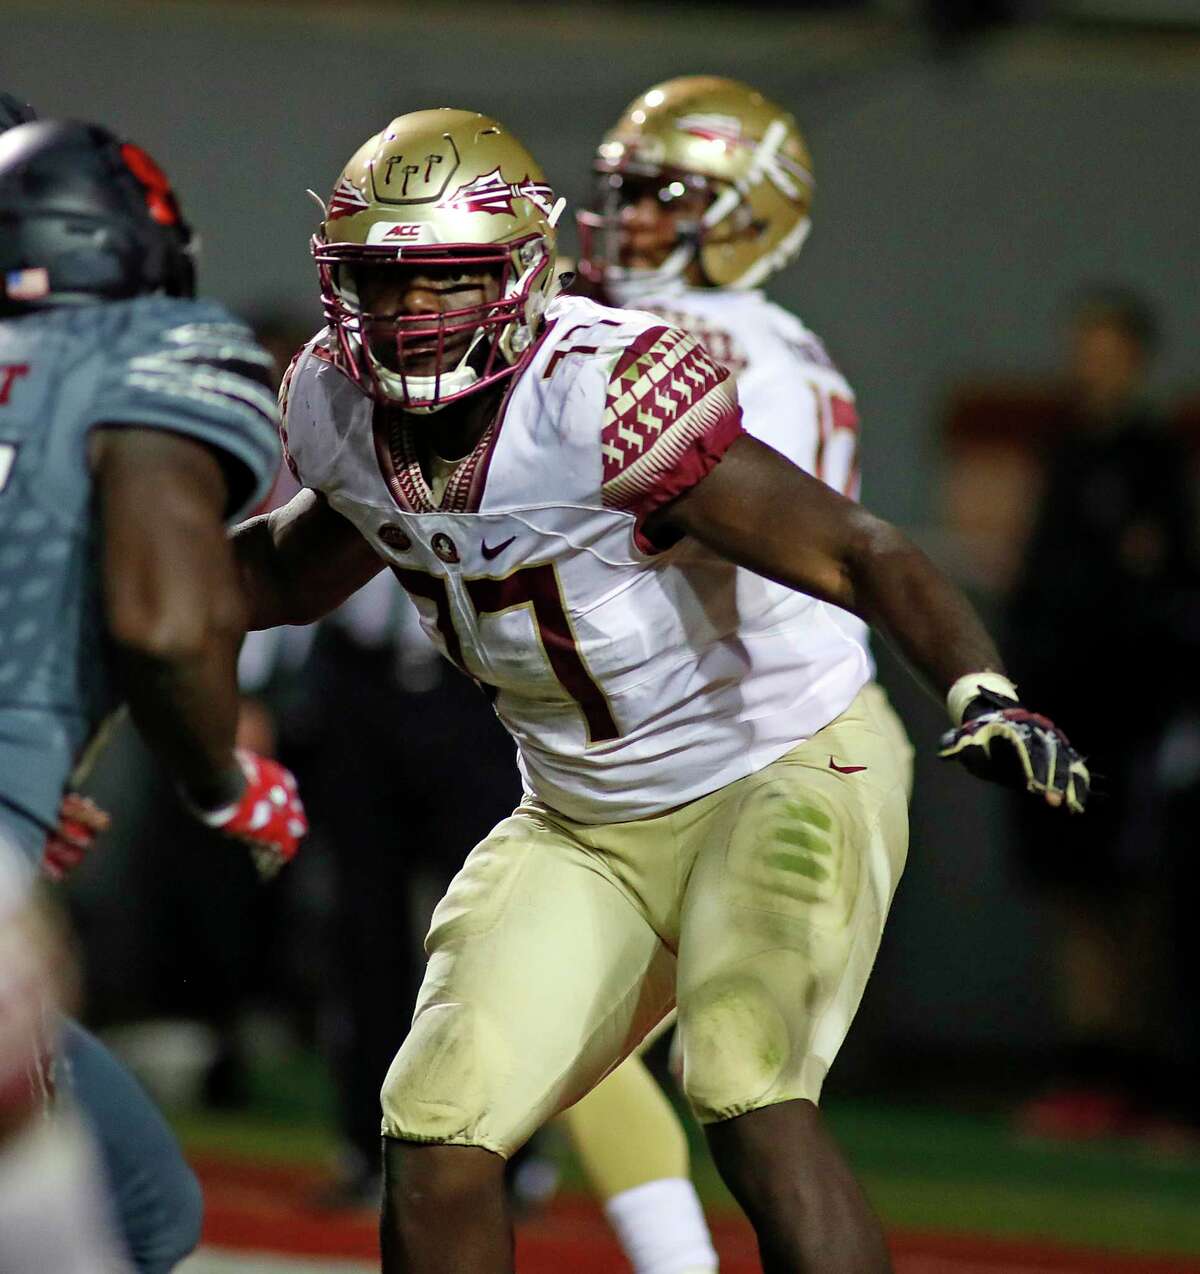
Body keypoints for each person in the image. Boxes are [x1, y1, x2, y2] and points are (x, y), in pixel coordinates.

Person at [233, 108, 1087, 1274]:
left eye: (444, 279)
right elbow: (289, 568)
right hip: (580, 812)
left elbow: (857, 547)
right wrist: (119, 592)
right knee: (436, 1120)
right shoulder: (337, 402)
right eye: (380, 282)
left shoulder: (600, 389)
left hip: (773, 762)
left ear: (521, 273)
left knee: (745, 1079)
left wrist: (980, 685)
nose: (407, 313)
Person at [564, 75, 919, 1273]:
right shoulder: (726, 341)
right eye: (627, 192)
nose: (634, 219)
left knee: (740, 1078)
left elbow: (696, 531)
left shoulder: (726, 350)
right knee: (560, 1027)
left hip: (763, 734)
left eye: (667, 195)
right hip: (671, 730)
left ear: (752, 214)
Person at [0, 117, 308, 1271]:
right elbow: (163, 620)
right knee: (120, 1212)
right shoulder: (147, 346)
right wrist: (223, 777)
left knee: (137, 1192)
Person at [1005, 287, 1198, 1137]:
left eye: (1105, 343)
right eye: (1081, 341)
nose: (1089, 358)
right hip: (1059, 708)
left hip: (1135, 713)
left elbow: (1165, 581)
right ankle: (1088, 1065)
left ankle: (1146, 1073)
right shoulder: (1064, 453)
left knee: (1137, 892)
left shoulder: (1155, 457)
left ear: (1135, 355)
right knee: (1072, 891)